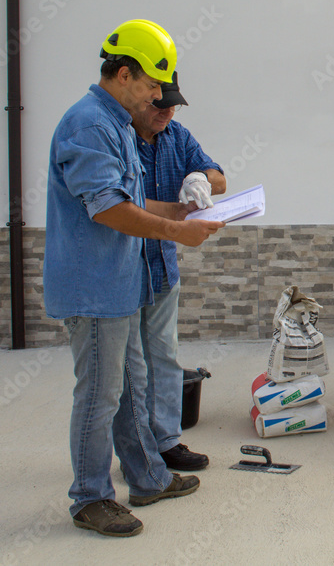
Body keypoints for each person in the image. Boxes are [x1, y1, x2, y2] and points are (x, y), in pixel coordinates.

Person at [44, 19, 224, 537]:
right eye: (150, 86)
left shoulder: (117, 122)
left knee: (129, 389)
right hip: (93, 287)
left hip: (119, 283)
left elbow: (133, 201)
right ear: (123, 75)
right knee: (101, 395)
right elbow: (106, 209)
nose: (155, 97)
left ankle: (147, 477)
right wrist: (174, 229)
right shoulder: (90, 125)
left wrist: (186, 216)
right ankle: (89, 498)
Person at [131, 71, 226, 472]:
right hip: (125, 267)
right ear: (139, 98)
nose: (167, 111)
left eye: (173, 104)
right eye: (159, 103)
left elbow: (220, 178)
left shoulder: (177, 136)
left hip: (163, 267)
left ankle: (167, 442)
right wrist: (175, 212)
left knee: (164, 357)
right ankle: (135, 450)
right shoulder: (120, 138)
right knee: (129, 367)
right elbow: (121, 202)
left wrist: (199, 177)